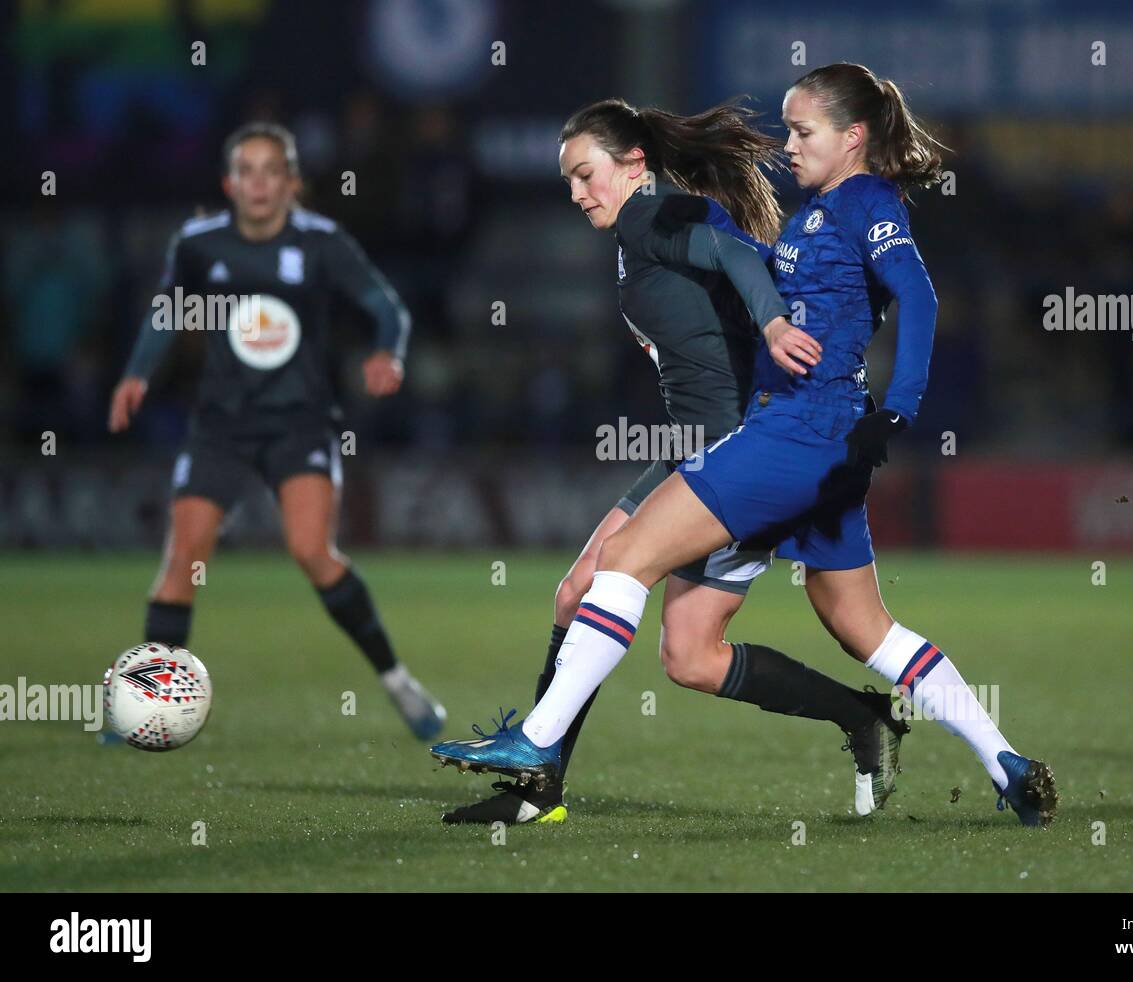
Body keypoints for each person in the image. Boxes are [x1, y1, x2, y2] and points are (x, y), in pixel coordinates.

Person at [434, 66, 1058, 828]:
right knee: (856, 630)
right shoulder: (816, 214)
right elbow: (769, 274)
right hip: (813, 439)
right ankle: (1005, 762)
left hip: (789, 433)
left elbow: (918, 293)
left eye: (802, 132)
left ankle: (533, 753)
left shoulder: (862, 201)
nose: (787, 146)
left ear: (852, 137)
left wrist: (895, 411)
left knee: (620, 567)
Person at [106, 122, 444, 742]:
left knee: (312, 551)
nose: (259, 185)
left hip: (300, 422)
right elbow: (166, 312)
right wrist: (136, 375)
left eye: (272, 172)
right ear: (229, 183)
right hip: (222, 425)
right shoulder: (200, 245)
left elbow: (386, 306)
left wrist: (387, 354)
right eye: (247, 172)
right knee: (183, 558)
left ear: (292, 183)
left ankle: (398, 681)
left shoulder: (322, 244)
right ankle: (145, 706)